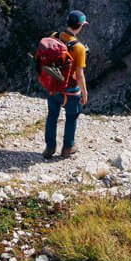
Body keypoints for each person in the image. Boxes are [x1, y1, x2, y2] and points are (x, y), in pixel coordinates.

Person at [43, 10, 89, 159]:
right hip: (71, 89)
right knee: (71, 117)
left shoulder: (54, 36)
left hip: (54, 85)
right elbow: (80, 74)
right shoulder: (79, 48)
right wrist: (84, 93)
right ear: (80, 26)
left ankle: (50, 147)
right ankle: (67, 148)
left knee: (52, 116)